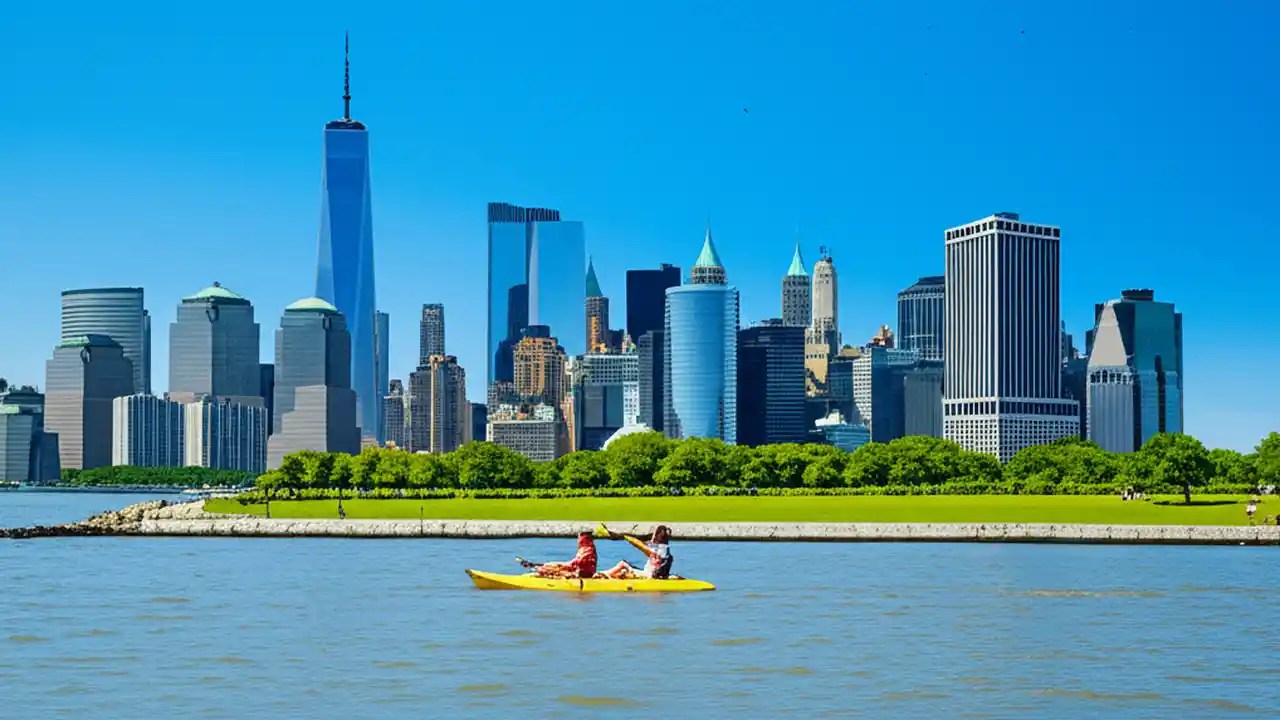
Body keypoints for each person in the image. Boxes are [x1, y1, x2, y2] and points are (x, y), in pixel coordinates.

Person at [602, 525, 674, 580]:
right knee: (622, 571)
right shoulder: (664, 548)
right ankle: (608, 575)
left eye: (653, 534)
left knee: (622, 563)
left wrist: (623, 536)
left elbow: (639, 545)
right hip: (653, 575)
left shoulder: (656, 549)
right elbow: (641, 543)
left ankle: (604, 574)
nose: (652, 536)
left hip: (648, 575)